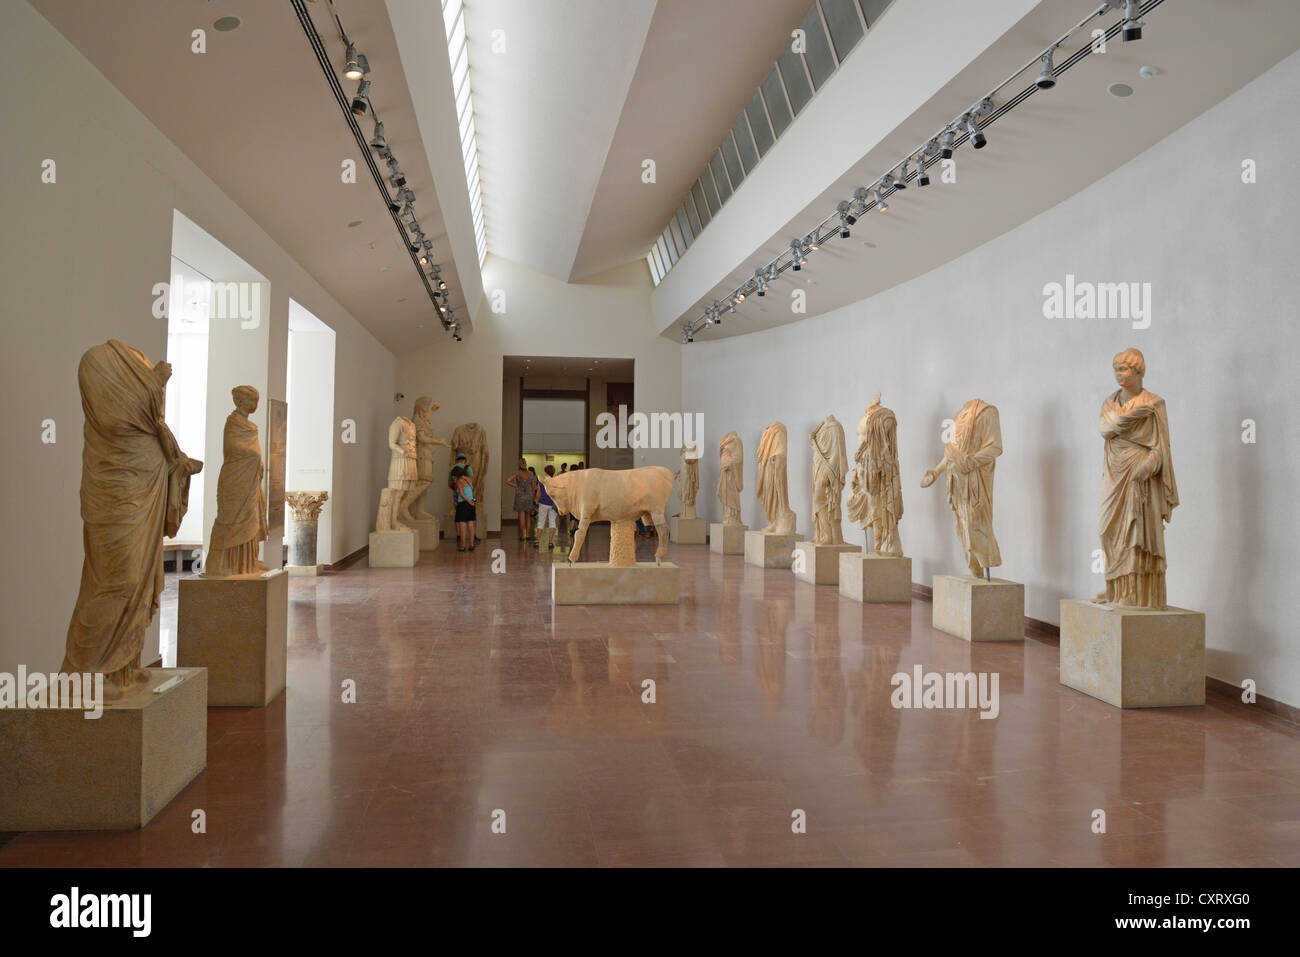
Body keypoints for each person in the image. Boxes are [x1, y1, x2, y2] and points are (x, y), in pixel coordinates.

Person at [505, 457, 537, 542]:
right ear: (525, 464)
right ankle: (528, 535)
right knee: (528, 516)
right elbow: (533, 487)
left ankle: (523, 535)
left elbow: (507, 481)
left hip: (520, 495)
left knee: (521, 516)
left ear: (519, 464)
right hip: (529, 495)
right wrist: (533, 497)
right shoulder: (531, 474)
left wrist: (516, 486)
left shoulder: (517, 473)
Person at [451, 465, 477, 551]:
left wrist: (467, 501)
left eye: (453, 476)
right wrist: (470, 501)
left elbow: (461, 494)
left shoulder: (459, 481)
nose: (453, 477)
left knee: (462, 525)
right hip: (472, 504)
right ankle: (472, 545)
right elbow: (470, 491)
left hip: (463, 504)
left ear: (456, 475)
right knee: (471, 524)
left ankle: (463, 546)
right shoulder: (469, 480)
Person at [536, 464, 560, 550]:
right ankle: (550, 542)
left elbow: (538, 493)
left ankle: (537, 541)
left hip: (543, 504)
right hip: (553, 504)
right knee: (552, 522)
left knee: (541, 522)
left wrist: (536, 500)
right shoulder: (556, 482)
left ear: (545, 472)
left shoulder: (541, 482)